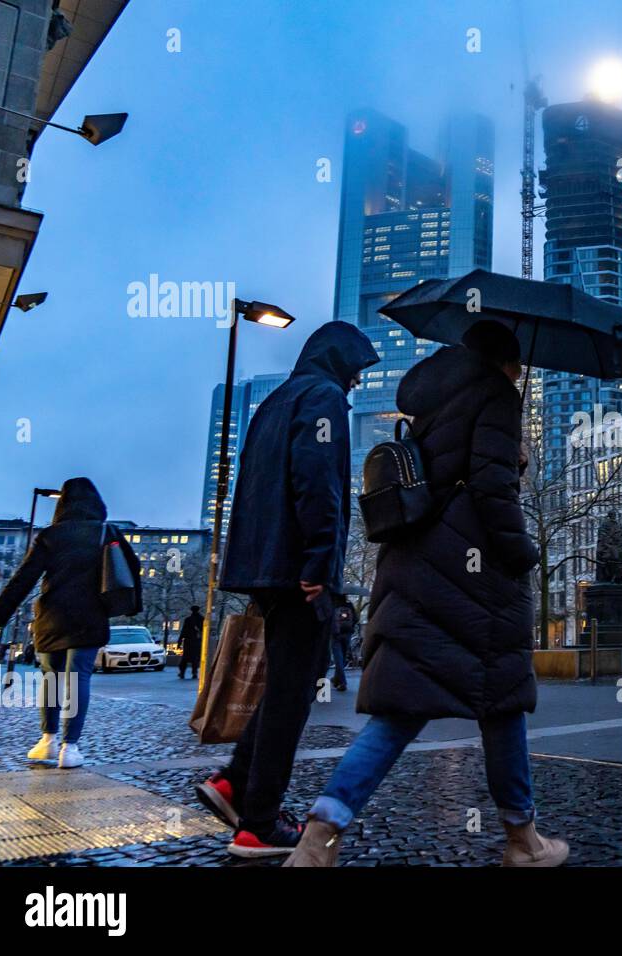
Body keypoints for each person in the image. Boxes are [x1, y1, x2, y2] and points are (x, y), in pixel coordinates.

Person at [285, 320, 567, 868]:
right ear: (509, 363)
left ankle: (319, 836)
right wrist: (523, 553)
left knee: (398, 709)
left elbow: (451, 473)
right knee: (503, 703)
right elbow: (490, 490)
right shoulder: (498, 396)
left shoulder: (430, 402)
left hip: (414, 568)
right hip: (477, 579)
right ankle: (523, 840)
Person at [193, 321, 379, 859]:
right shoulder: (322, 397)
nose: (356, 383)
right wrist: (321, 561)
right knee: (295, 692)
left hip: (264, 565)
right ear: (339, 360)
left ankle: (233, 783)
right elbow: (317, 479)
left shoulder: (275, 401)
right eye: (356, 370)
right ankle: (259, 821)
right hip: (299, 568)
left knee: (289, 686)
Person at [0, 478, 140, 769]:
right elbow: (131, 567)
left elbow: (24, 578)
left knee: (51, 679)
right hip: (90, 616)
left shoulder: (51, 536)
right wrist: (125, 605)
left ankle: (47, 741)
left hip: (53, 616)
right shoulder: (107, 532)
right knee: (79, 679)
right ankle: (70, 747)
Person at [330, 596, 356, 692]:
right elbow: (356, 619)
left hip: (336, 635)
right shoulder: (350, 605)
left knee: (338, 659)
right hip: (347, 634)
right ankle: (336, 679)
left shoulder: (334, 606)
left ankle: (342, 682)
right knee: (342, 658)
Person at [178, 606, 204, 680]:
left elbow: (183, 631)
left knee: (185, 658)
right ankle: (194, 672)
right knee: (195, 658)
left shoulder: (188, 619)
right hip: (197, 641)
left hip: (188, 641)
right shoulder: (202, 619)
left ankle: (182, 672)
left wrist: (179, 642)